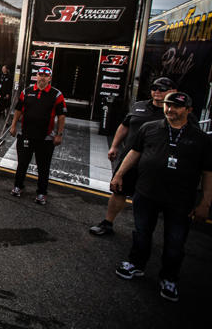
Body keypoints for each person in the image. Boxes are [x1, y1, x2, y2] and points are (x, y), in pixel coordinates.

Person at [111, 92, 212, 302]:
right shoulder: (149, 128)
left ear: (189, 110)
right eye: (168, 105)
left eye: (176, 106)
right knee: (141, 232)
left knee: (175, 241)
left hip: (180, 199)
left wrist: (205, 202)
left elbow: (208, 173)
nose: (170, 109)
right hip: (146, 193)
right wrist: (119, 174)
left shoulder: (200, 139)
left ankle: (169, 277)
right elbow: (134, 153)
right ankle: (136, 264)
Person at [90, 77, 186, 236]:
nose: (157, 92)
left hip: (154, 165)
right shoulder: (139, 106)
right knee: (118, 190)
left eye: (162, 89)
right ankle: (107, 223)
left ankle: (144, 234)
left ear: (173, 91)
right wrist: (114, 146)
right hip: (130, 159)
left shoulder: (177, 112)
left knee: (149, 200)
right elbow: (124, 126)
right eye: (154, 88)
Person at [9, 66, 66, 205]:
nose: (42, 78)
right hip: (26, 135)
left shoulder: (56, 94)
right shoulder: (26, 92)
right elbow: (18, 110)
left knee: (43, 167)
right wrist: (13, 125)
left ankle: (41, 193)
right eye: (40, 75)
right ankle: (18, 186)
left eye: (46, 76)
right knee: (22, 163)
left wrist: (59, 134)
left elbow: (61, 116)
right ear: (36, 76)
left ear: (50, 78)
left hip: (45, 138)